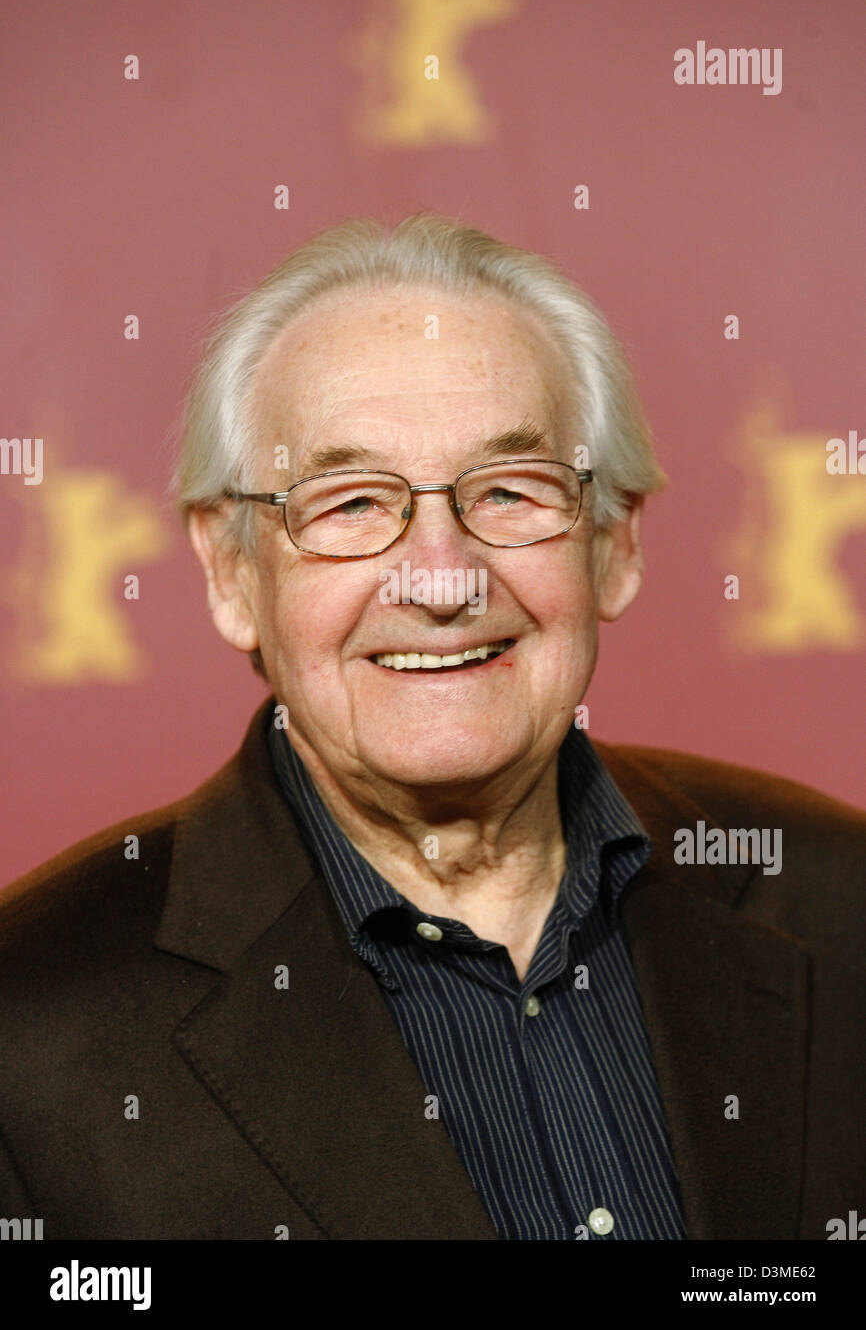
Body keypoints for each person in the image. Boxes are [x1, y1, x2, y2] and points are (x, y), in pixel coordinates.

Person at [0, 213, 863, 1241]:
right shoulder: (31, 1026)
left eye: (508, 490)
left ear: (614, 542)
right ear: (231, 572)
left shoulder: (835, 897)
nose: (441, 579)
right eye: (352, 503)